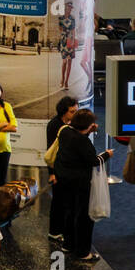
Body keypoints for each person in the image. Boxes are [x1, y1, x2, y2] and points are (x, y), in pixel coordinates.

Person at [53, 108, 113, 264]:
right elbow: (92, 160)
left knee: (69, 211)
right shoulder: (82, 141)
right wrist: (106, 154)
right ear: (87, 126)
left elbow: (77, 139)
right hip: (80, 184)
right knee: (84, 218)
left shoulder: (65, 131)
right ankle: (83, 252)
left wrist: (87, 130)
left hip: (64, 180)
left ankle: (68, 244)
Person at [45, 95, 79, 242]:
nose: (75, 114)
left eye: (76, 111)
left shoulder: (73, 123)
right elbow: (50, 151)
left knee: (67, 202)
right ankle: (54, 231)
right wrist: (52, 173)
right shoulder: (54, 125)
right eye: (72, 111)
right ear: (64, 111)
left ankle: (65, 230)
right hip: (59, 169)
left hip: (69, 169)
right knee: (58, 202)